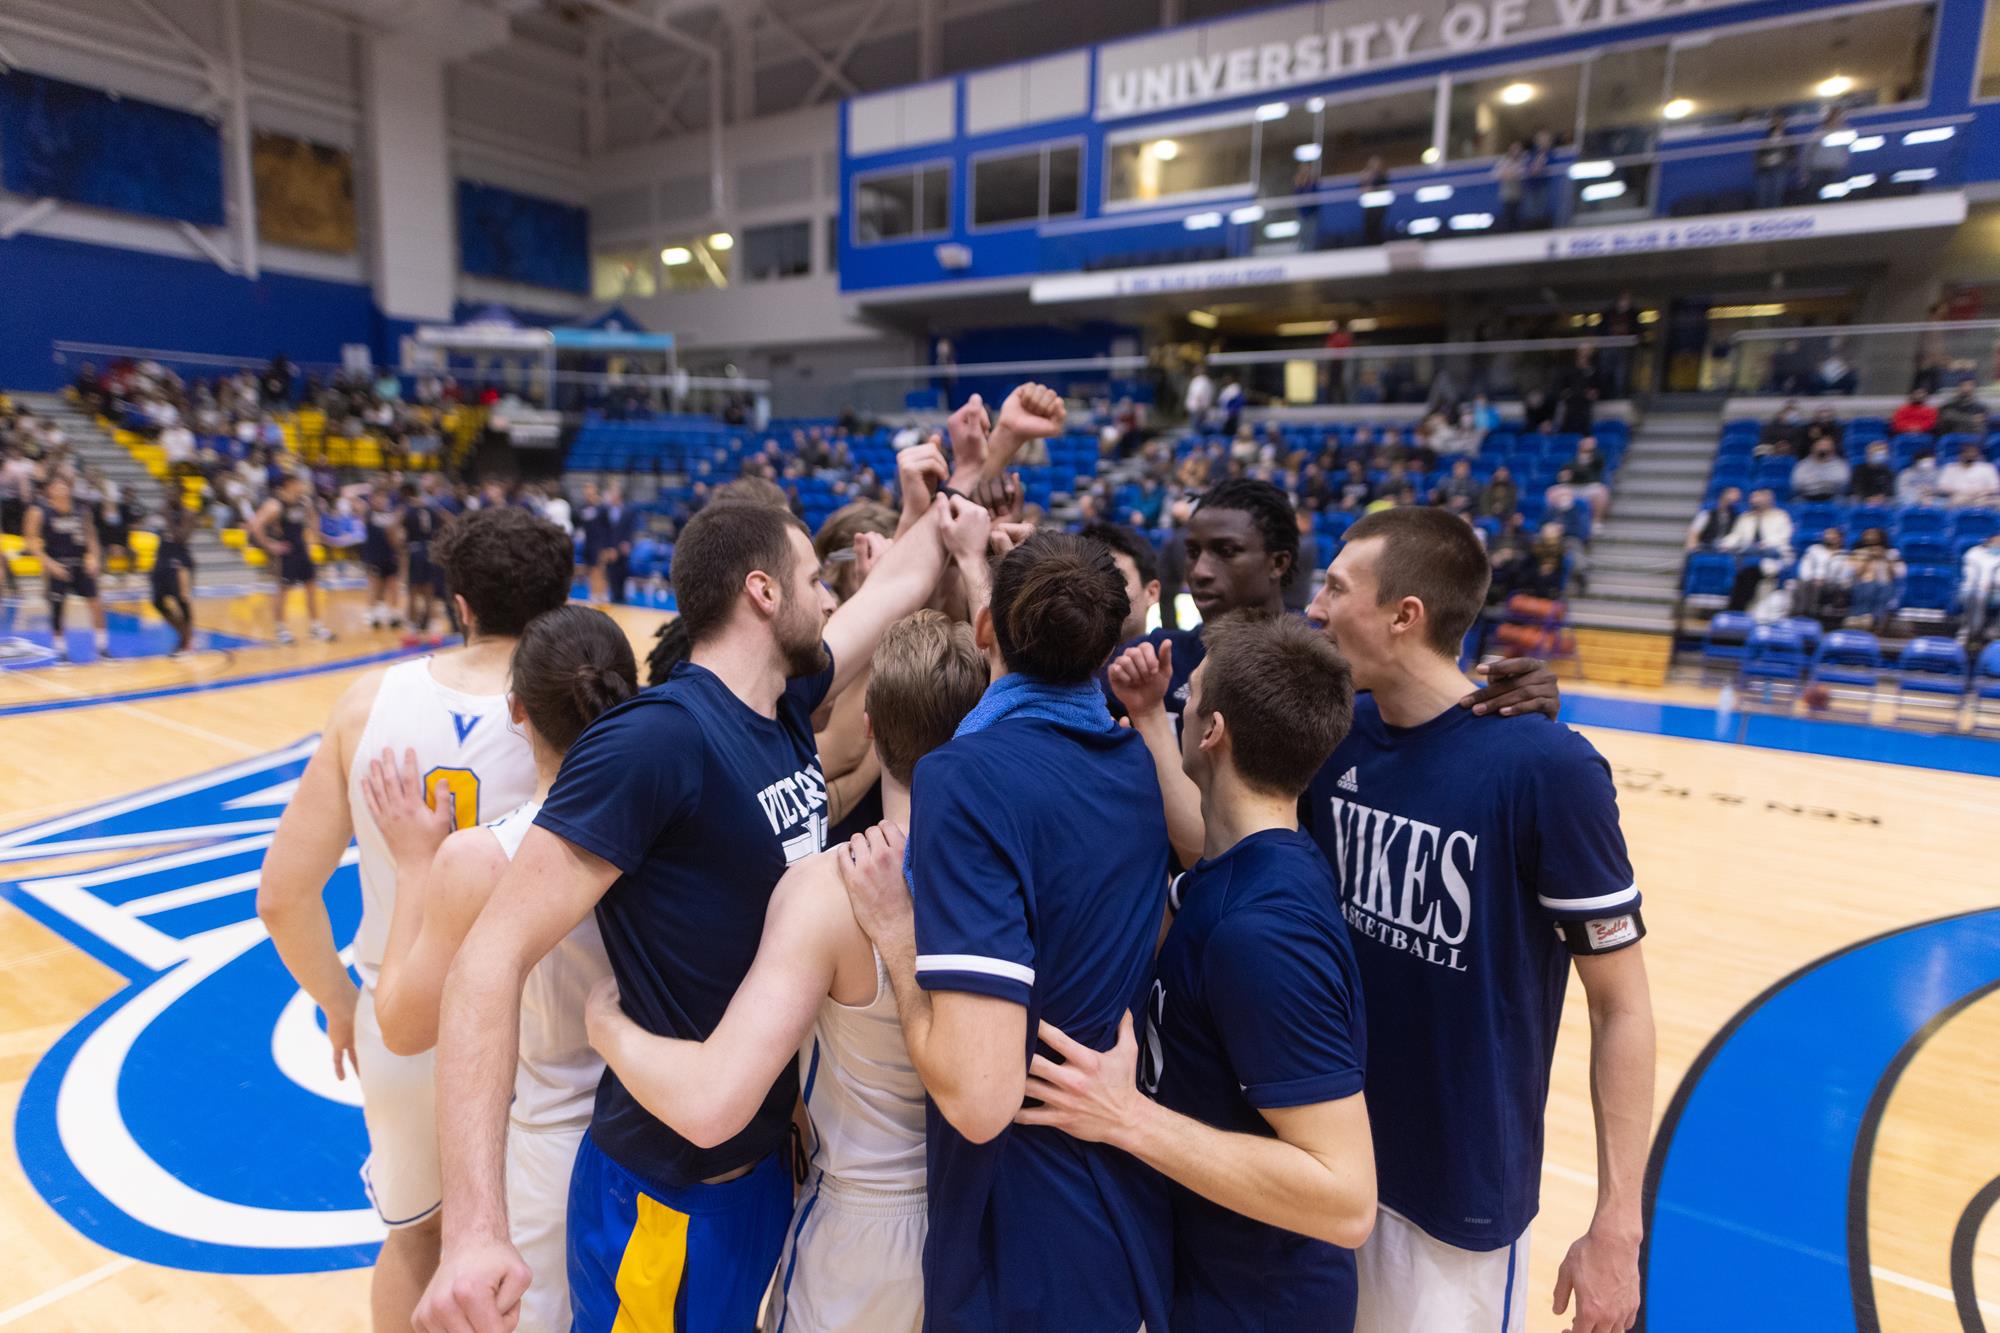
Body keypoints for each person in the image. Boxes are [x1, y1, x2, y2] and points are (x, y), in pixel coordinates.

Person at [414, 487, 980, 1333]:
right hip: (664, 1188)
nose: (830, 598)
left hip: (756, 1172)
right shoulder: (656, 740)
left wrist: (968, 478)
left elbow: (895, 587)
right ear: (762, 591)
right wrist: (471, 1235)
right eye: (812, 580)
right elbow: (484, 963)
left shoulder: (785, 701)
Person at [583, 608, 989, 1333]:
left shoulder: (829, 888)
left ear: (868, 724)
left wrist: (605, 1025)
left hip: (864, 1219)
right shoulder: (1012, 868)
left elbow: (714, 1098)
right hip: (986, 1212)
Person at [1299, 508, 1654, 1333]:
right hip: (1320, 1164)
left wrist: (1617, 1225)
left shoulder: (1547, 767)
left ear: (1405, 614)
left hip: (1450, 1202)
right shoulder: (1334, 736)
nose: (1314, 606)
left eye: (1335, 586)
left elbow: (1622, 1004)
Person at [836, 532, 1173, 1333]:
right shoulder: (1134, 765)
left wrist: (894, 931)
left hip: (1021, 1222)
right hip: (1119, 1205)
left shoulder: (965, 774)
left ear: (986, 631)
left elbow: (982, 1100)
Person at [257, 506, 576, 1333]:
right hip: (537, 1031)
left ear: (459, 603)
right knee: (537, 1249)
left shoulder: (367, 703)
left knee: (413, 1243)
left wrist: (339, 1002)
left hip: (402, 1011)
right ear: (562, 602)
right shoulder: (580, 704)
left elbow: (283, 895)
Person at [1038, 614, 1376, 1332]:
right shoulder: (1248, 860)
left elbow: (1347, 1199)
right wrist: (1148, 717)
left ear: (1214, 731)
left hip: (1262, 1307)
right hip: (1212, 1282)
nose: (1177, 707)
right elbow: (1200, 840)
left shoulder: (1262, 935)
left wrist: (1127, 1117)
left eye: (1185, 699)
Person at [357, 604, 637, 1333]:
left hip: (551, 1150)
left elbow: (404, 1023)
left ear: (518, 710)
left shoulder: (485, 858)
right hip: (656, 1133)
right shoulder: (676, 817)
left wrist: (417, 867)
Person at [24, 472, 108, 661]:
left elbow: (91, 536)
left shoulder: (81, 510)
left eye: (64, 485)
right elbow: (30, 541)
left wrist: (93, 557)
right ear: (49, 490)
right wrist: (49, 564)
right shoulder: (39, 511)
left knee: (96, 603)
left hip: (80, 563)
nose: (61, 489)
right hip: (57, 564)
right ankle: (61, 650)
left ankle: (102, 648)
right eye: (57, 485)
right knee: (58, 609)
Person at [250, 472, 334, 643]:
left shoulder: (304, 502)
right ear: (289, 484)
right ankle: (281, 630)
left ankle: (316, 627)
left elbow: (314, 519)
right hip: (285, 552)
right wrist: (270, 545)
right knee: (282, 591)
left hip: (301, 550)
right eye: (298, 482)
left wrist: (312, 541)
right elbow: (256, 524)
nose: (302, 486)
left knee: (311, 587)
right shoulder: (275, 504)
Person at [1080, 521, 1163, 642]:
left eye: (1116, 578)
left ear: (1151, 593)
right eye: (1086, 578)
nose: (1096, 590)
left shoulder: (1177, 658)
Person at [1720, 488, 1794, 611]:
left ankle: (1741, 609)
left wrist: (1766, 544)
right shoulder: (1745, 517)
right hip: (1747, 555)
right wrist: (1726, 543)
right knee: (1741, 571)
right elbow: (1736, 535)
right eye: (1753, 497)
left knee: (1752, 572)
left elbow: (1784, 537)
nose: (1754, 500)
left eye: (1757, 497)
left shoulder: (1780, 516)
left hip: (1771, 555)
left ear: (1768, 499)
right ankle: (1737, 609)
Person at [151, 503, 196, 658]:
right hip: (162, 561)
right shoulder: (161, 513)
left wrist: (168, 517)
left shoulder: (188, 513)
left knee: (182, 600)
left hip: (180, 563)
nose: (169, 495)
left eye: (173, 490)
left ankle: (187, 642)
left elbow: (180, 538)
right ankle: (184, 634)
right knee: (157, 602)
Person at [361, 484, 406, 630]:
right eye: (377, 497)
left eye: (383, 497)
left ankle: (393, 614)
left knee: (393, 586)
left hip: (390, 555)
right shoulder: (368, 514)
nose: (381, 500)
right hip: (374, 556)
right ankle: (374, 614)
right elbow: (349, 496)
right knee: (376, 586)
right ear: (372, 499)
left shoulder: (391, 515)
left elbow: (396, 535)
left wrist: (399, 549)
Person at [1847, 528, 1903, 629]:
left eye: (1873, 535)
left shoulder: (1892, 553)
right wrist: (1867, 558)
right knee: (1869, 586)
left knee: (1884, 588)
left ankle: (1876, 619)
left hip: (1885, 583)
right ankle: (1857, 616)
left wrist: (1885, 558)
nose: (1871, 538)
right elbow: (1853, 572)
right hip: (1861, 583)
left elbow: (1898, 573)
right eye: (1868, 535)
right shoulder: (1858, 552)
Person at [1792, 527, 1851, 619]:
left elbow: (1844, 574)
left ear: (1840, 538)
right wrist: (1812, 578)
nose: (1829, 537)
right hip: (1811, 580)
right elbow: (1805, 567)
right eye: (1827, 534)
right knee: (1802, 584)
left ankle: (1812, 616)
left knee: (1820, 588)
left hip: (1832, 583)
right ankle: (1799, 615)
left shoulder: (1844, 555)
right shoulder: (1814, 550)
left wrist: (1826, 580)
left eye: (1833, 534)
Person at [1959, 532, 2000, 639]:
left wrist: (1992, 584)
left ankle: (1994, 630)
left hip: (1996, 590)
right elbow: (1969, 572)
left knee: (1982, 595)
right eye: (1996, 541)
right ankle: (1971, 629)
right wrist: (1980, 584)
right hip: (1972, 587)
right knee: (1976, 595)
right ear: (1989, 541)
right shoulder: (1974, 553)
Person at [1937, 441, 2000, 507]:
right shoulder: (1950, 468)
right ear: (1960, 454)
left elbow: (1995, 487)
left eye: (1973, 452)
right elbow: (1942, 486)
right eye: (1967, 452)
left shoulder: (1987, 468)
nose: (1970, 454)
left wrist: (1980, 493)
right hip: (1957, 497)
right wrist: (1960, 492)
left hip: (1982, 498)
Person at [1685, 486, 1743, 550]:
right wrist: (1693, 550)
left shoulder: (1737, 517)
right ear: (1723, 496)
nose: (1734, 498)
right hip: (1707, 547)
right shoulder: (1706, 514)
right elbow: (1694, 533)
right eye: (1732, 494)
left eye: (1737, 496)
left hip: (1727, 549)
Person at [1753, 114, 1791, 209]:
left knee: (1777, 191)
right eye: (1775, 122)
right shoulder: (1765, 138)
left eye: (1779, 122)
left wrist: (1786, 160)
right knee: (1763, 193)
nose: (1777, 124)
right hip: (1765, 169)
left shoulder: (1788, 136)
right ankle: (1763, 212)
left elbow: (1791, 152)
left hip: (1780, 167)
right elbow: (1759, 154)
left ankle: (1776, 210)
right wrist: (1764, 161)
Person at [1494, 142, 1529, 232]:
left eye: (1518, 150)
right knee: (1508, 214)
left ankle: (1517, 231)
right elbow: (1497, 174)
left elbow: (1522, 173)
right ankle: (1507, 232)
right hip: (1507, 194)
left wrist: (1511, 173)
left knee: (1517, 214)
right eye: (1514, 150)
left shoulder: (1523, 160)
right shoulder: (1504, 160)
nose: (1516, 152)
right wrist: (1508, 173)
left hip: (1518, 193)